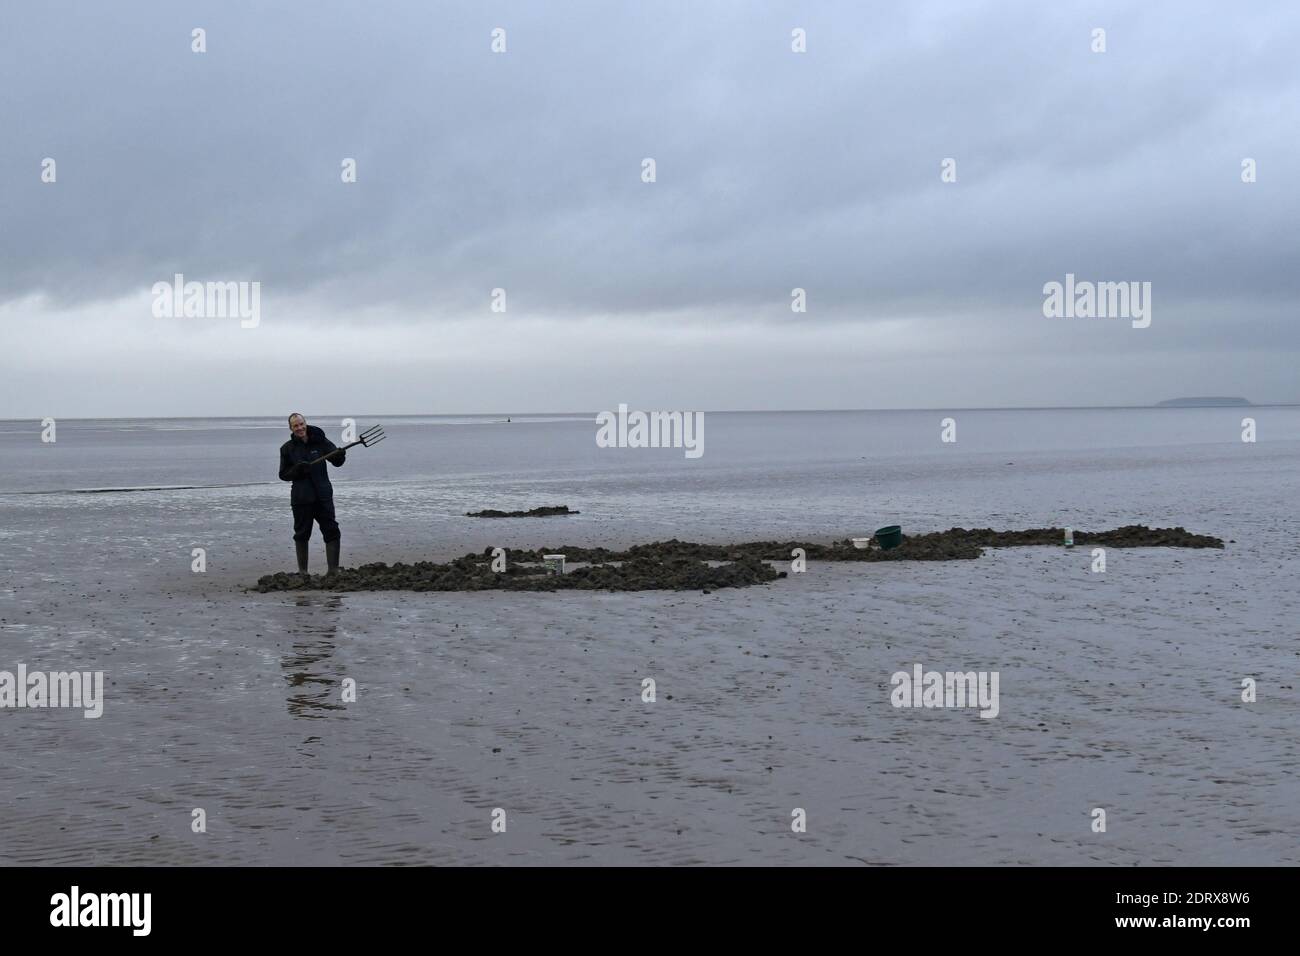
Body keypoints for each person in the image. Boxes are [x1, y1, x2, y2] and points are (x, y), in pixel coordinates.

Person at [278, 413, 346, 576]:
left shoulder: (320, 440)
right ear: (291, 428)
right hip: (301, 498)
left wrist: (340, 455)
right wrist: (296, 470)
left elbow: (337, 462)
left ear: (306, 424)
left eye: (301, 424)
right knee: (302, 533)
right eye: (295, 426)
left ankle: (333, 570)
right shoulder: (287, 448)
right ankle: (303, 572)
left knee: (331, 530)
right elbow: (283, 475)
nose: (300, 428)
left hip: (323, 496)